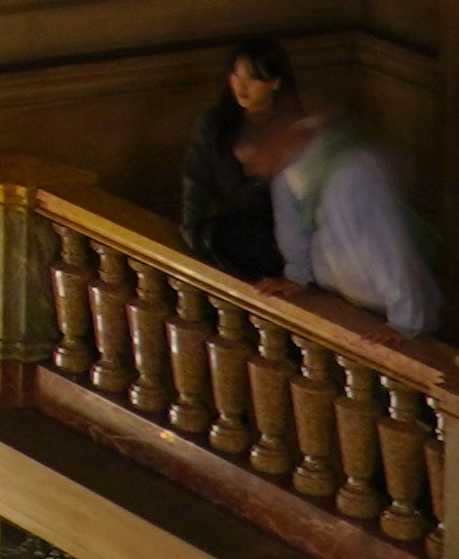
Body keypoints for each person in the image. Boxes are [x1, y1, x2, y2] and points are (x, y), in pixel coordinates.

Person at [251, 96, 444, 337]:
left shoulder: (351, 171)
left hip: (384, 302)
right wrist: (297, 275)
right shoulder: (287, 170)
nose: (255, 169)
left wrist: (405, 321)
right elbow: (291, 228)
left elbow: (386, 243)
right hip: (341, 292)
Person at [176, 38, 297, 281]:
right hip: (235, 237)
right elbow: (196, 183)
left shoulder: (293, 128)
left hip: (283, 239)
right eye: (235, 74)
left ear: (275, 82)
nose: (241, 86)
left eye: (252, 78)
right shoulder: (215, 125)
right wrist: (196, 234)